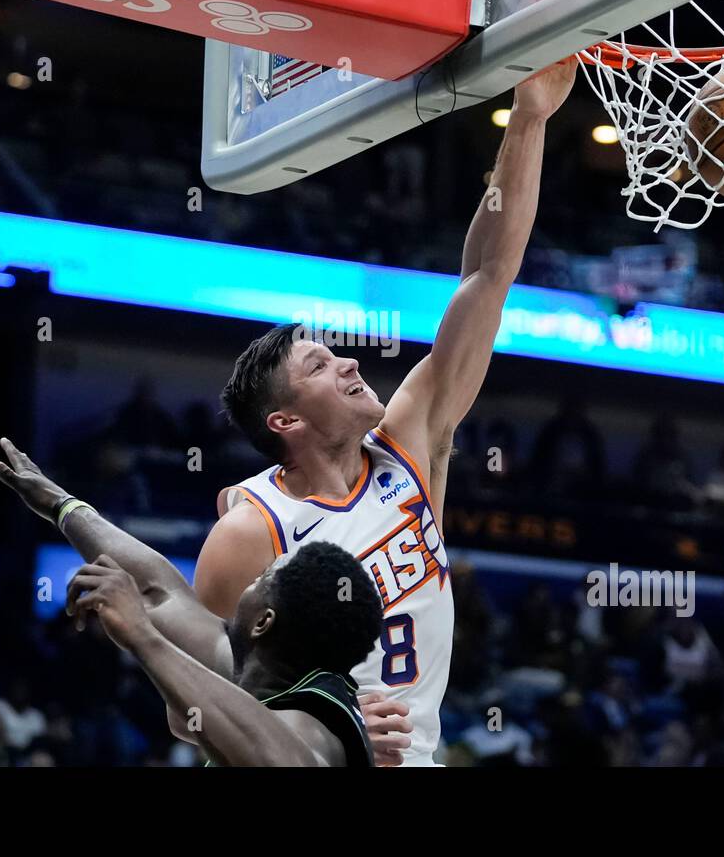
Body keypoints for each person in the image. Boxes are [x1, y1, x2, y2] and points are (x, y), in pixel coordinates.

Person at [194, 60, 579, 765]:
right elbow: (191, 709)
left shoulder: (411, 442)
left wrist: (528, 120)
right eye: (317, 365)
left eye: (335, 352)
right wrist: (326, 723)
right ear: (285, 422)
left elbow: (486, 278)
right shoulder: (248, 531)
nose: (346, 362)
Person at [0, 440, 382, 767]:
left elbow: (286, 761)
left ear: (263, 622)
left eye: (262, 579)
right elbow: (156, 590)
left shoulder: (322, 717)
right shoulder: (259, 676)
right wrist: (62, 506)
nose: (250, 581)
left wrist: (143, 637)